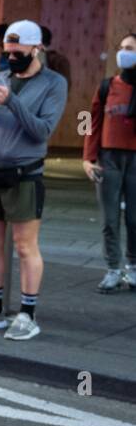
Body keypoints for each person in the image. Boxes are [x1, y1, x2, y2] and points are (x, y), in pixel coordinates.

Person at [0, 20, 68, 341]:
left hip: (24, 174)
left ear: (37, 49)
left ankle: (27, 313)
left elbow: (42, 130)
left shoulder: (54, 83)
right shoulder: (0, 77)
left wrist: (10, 101)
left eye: (18, 52)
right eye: (7, 52)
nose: (11, 58)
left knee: (24, 246)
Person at [86, 33, 136, 292]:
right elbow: (91, 122)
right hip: (108, 158)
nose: (124, 52)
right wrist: (88, 158)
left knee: (134, 218)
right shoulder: (107, 86)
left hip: (135, 159)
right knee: (110, 217)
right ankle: (113, 269)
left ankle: (133, 267)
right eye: (122, 48)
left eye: (130, 48)